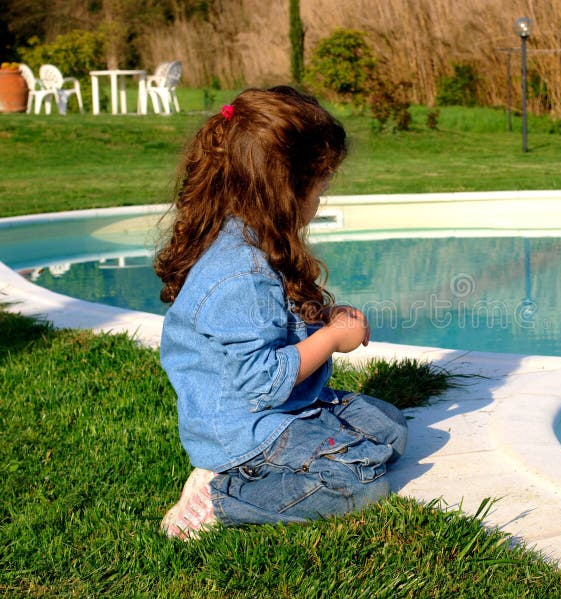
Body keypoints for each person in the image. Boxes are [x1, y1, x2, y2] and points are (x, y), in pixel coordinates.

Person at [154, 87, 408, 540]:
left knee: (389, 427)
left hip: (279, 410)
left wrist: (324, 318)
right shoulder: (240, 272)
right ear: (286, 190)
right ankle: (220, 496)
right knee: (360, 481)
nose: (322, 198)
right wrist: (331, 340)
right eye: (320, 187)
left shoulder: (255, 237)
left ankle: (272, 462)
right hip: (244, 428)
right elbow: (263, 381)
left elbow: (275, 322)